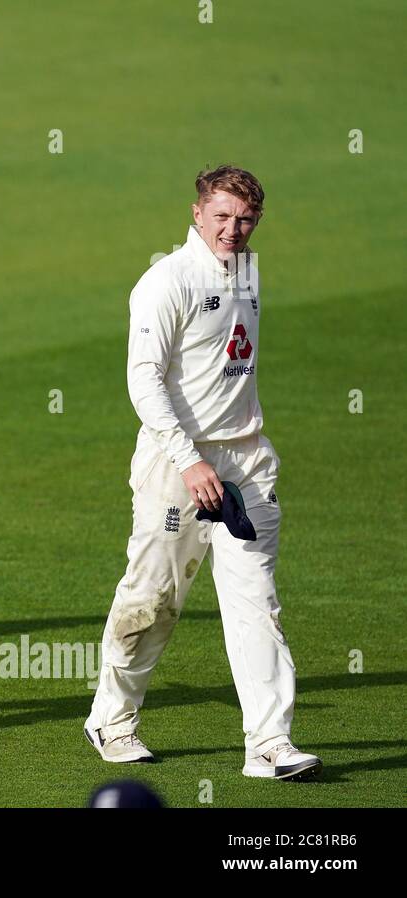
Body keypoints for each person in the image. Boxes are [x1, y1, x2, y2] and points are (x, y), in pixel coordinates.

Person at [84, 166, 319, 780]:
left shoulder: (247, 272)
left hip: (246, 462)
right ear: (197, 214)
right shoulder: (166, 281)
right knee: (154, 599)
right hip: (176, 464)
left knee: (256, 603)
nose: (231, 230)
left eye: (243, 220)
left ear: (257, 221)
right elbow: (144, 379)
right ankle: (112, 719)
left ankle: (269, 744)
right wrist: (189, 461)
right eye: (220, 217)